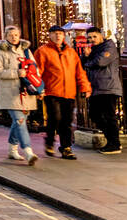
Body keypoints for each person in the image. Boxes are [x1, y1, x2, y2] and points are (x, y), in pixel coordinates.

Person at [36, 25, 90, 159]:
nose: (58, 36)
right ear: (50, 35)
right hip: (51, 91)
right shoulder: (42, 51)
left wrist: (85, 87)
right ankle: (49, 141)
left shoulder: (71, 53)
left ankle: (66, 147)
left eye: (60, 33)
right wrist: (38, 89)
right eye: (55, 33)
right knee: (55, 118)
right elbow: (37, 72)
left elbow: (79, 72)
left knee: (67, 120)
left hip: (69, 92)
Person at [0, 34, 40, 166]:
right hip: (9, 92)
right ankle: (28, 151)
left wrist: (39, 87)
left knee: (20, 120)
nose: (14, 37)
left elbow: (35, 69)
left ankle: (12, 149)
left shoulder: (26, 51)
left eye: (16, 35)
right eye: (10, 35)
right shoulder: (0, 52)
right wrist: (16, 73)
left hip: (26, 91)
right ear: (6, 36)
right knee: (19, 120)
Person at [83, 26, 123, 154]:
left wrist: (88, 60)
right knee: (94, 115)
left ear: (101, 36)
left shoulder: (109, 47)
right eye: (89, 37)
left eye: (95, 36)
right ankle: (112, 140)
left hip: (108, 87)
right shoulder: (92, 50)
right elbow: (82, 63)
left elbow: (100, 62)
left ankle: (114, 144)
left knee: (109, 116)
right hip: (96, 88)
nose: (92, 39)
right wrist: (86, 58)